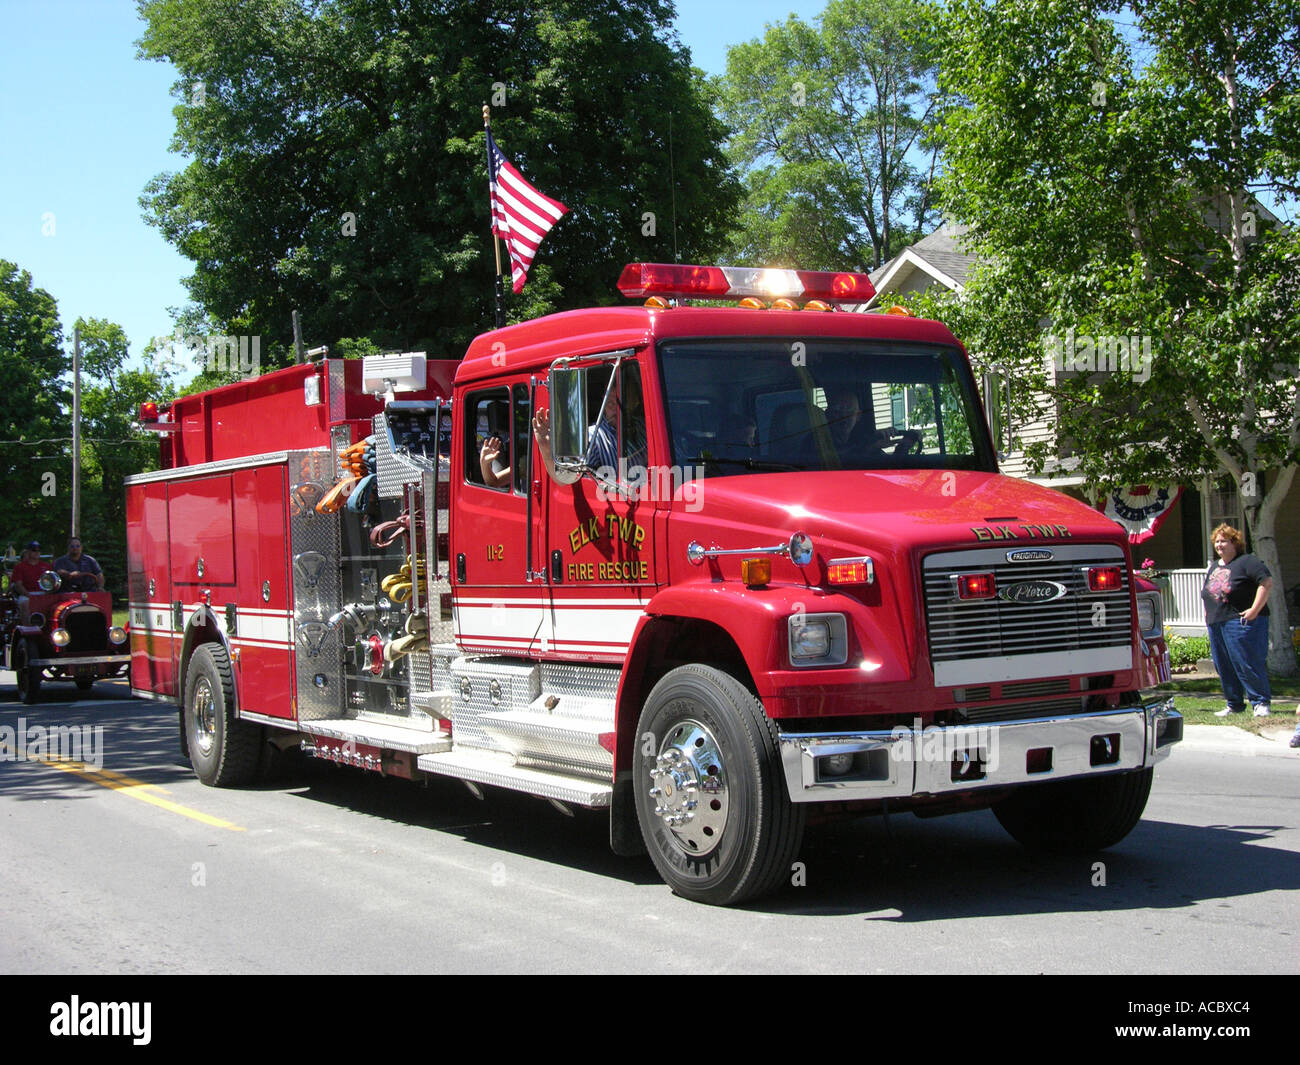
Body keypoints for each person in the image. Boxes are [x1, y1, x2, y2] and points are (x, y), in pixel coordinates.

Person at [1200, 523, 1272, 718]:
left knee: (1246, 661)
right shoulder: (1215, 566)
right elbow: (1209, 594)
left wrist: (1254, 610)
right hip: (1217, 622)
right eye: (1216, 541)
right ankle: (1234, 704)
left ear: (1235, 543)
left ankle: (1261, 702)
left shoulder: (1248, 562)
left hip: (1241, 621)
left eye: (1224, 541)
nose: (1219, 545)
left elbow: (1266, 582)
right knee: (1223, 664)